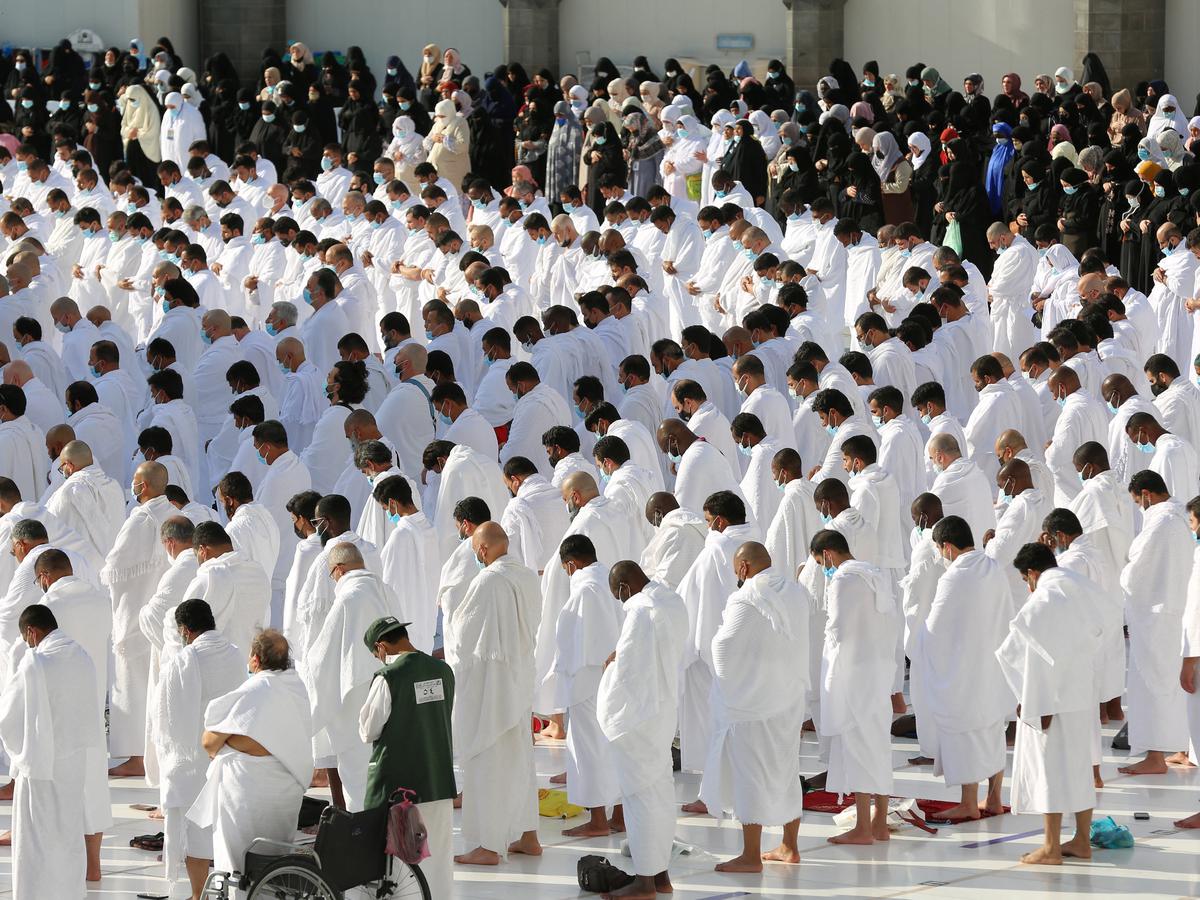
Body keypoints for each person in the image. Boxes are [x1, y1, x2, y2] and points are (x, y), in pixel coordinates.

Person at [700, 542, 808, 873]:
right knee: (787, 771)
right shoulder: (795, 590)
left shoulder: (747, 597)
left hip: (753, 704)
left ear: (745, 567)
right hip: (789, 695)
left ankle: (750, 856)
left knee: (752, 776)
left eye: (736, 571)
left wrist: (728, 687)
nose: (737, 577)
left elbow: (724, 646)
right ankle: (790, 846)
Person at [999, 543, 1103, 864]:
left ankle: (1051, 847)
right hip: (1081, 691)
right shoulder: (1080, 587)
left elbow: (1024, 653)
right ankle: (1082, 841)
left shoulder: (1044, 598)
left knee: (1050, 770)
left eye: (1024, 579)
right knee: (1078, 767)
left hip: (1050, 699)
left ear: (1032, 573)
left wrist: (1031, 699)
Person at [449, 522, 542, 865]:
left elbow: (464, 633)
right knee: (520, 761)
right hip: (519, 680)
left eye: (476, 551)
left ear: (484, 550)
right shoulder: (528, 575)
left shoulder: (488, 580)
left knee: (486, 761)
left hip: (491, 689)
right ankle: (528, 836)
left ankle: (487, 846)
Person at [186, 630, 314, 877]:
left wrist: (234, 741)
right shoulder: (298, 688)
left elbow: (210, 742)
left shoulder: (257, 688)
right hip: (285, 797)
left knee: (240, 865)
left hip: (247, 797)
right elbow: (282, 740)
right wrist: (252, 741)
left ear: (255, 659)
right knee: (271, 862)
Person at [0, 604, 104, 900]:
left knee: (35, 838)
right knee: (67, 833)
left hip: (41, 764)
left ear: (31, 631)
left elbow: (9, 716)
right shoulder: (81, 655)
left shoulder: (36, 663)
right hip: (74, 760)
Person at [597, 560, 688, 899]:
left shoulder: (638, 611)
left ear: (624, 588)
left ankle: (645, 882)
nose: (620, 602)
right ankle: (660, 875)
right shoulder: (670, 600)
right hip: (663, 710)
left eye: (618, 596)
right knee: (659, 792)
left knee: (638, 798)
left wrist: (611, 666)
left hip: (638, 718)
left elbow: (629, 672)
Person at [918, 516, 1015, 819]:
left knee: (966, 732)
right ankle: (995, 798)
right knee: (992, 731)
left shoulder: (955, 576)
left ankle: (969, 803)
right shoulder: (993, 567)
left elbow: (935, 627)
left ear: (946, 546)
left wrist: (918, 637)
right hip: (993, 666)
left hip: (964, 670)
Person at [359, 615, 456, 899]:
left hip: (399, 788)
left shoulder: (389, 677)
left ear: (381, 648)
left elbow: (368, 729)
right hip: (438, 779)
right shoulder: (443, 670)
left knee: (400, 861)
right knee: (438, 856)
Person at [154, 598, 245, 897]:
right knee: (227, 830)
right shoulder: (234, 654)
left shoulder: (183, 661)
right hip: (233, 754)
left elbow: (166, 718)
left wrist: (167, 757)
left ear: (185, 629)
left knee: (197, 833)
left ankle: (197, 894)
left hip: (194, 758)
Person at [814, 528, 899, 844]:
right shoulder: (875, 575)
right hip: (878, 671)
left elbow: (836, 629)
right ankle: (879, 824)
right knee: (877, 745)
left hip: (853, 674)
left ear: (828, 555)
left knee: (858, 747)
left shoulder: (843, 580)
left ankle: (864, 826)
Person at [302, 542, 393, 812]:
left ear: (339, 569)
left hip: (356, 698)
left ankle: (362, 834)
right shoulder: (385, 590)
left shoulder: (348, 598)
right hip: (386, 688)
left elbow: (322, 657)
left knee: (356, 772)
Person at [548, 535, 625, 837]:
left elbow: (578, 642)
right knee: (611, 746)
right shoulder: (609, 582)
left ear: (571, 564)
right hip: (610, 678)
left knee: (588, 749)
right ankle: (619, 816)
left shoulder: (586, 590)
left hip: (587, 680)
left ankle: (598, 821)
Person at [1119, 469, 1194, 775]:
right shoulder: (1182, 516)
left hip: (1156, 617)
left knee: (1151, 686)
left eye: (1138, 502)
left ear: (1146, 495)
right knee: (1177, 686)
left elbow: (1135, 574)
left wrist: (1123, 576)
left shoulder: (1159, 524)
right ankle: (1183, 747)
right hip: (1180, 613)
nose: (1140, 507)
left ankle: (1154, 756)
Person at [104, 460, 176, 777]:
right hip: (165, 615)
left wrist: (104, 575)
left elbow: (116, 567)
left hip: (136, 617)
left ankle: (135, 755)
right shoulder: (175, 514)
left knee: (132, 686)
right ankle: (149, 753)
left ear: (142, 486)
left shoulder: (142, 519)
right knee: (155, 687)